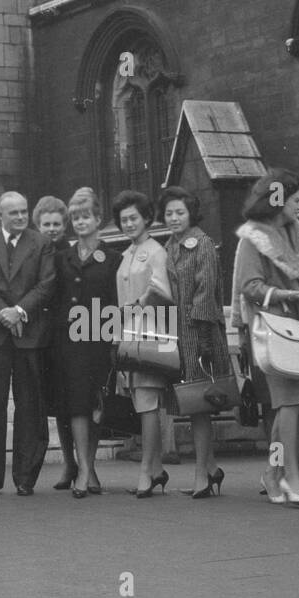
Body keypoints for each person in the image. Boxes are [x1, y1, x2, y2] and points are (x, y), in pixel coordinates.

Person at [231, 169, 299, 508]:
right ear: (277, 200)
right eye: (296, 198)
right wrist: (292, 295)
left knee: (293, 403)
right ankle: (291, 475)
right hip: (273, 329)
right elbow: (250, 287)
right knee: (289, 403)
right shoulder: (253, 238)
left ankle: (274, 473)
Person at [0, 192, 56, 496]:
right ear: (0, 215)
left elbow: (46, 283)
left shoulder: (41, 243)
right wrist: (2, 314)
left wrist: (18, 311)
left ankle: (25, 477)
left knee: (29, 406)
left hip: (29, 336)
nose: (20, 217)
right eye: (14, 213)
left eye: (24, 211)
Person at [160, 186, 229, 499]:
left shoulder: (203, 244)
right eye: (169, 213)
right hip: (178, 335)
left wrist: (202, 337)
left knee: (199, 405)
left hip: (199, 334)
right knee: (192, 404)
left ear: (191, 214)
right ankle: (211, 468)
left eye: (179, 212)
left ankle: (202, 473)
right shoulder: (170, 245)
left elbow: (206, 291)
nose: (174, 218)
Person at [51, 188, 121, 498]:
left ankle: (89, 467)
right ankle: (84, 470)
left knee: (95, 404)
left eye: (86, 217)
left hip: (100, 338)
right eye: (75, 218)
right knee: (76, 405)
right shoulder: (62, 257)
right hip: (69, 341)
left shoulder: (113, 257)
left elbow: (117, 301)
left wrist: (115, 339)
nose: (80, 222)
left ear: (98, 219)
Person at [112, 189, 173, 498]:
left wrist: (136, 305)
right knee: (142, 403)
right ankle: (157, 467)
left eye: (133, 218)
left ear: (147, 218)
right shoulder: (126, 254)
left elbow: (163, 293)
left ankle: (146, 470)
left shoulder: (156, 251)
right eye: (123, 220)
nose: (128, 224)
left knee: (148, 404)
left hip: (150, 337)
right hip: (129, 340)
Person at [34, 195, 78, 488]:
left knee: (75, 402)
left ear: (65, 225)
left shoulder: (71, 254)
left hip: (67, 336)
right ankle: (69, 463)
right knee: (57, 407)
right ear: (38, 225)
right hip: (41, 339)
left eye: (56, 224)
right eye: (46, 224)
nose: (51, 229)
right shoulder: (34, 252)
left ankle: (83, 464)